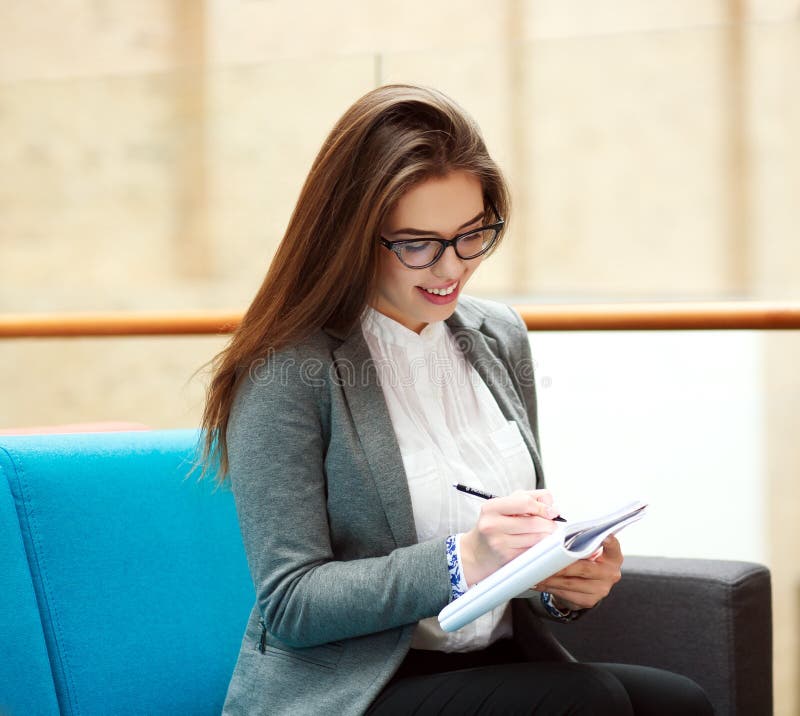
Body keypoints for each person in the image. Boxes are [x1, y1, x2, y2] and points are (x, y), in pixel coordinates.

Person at [199, 84, 713, 715]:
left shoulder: (499, 336)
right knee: (589, 700)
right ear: (350, 235)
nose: (451, 269)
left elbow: (516, 546)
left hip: (496, 664)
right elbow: (293, 603)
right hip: (359, 689)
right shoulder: (286, 370)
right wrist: (463, 557)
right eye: (417, 244)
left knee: (678, 702)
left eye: (472, 235)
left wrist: (559, 580)